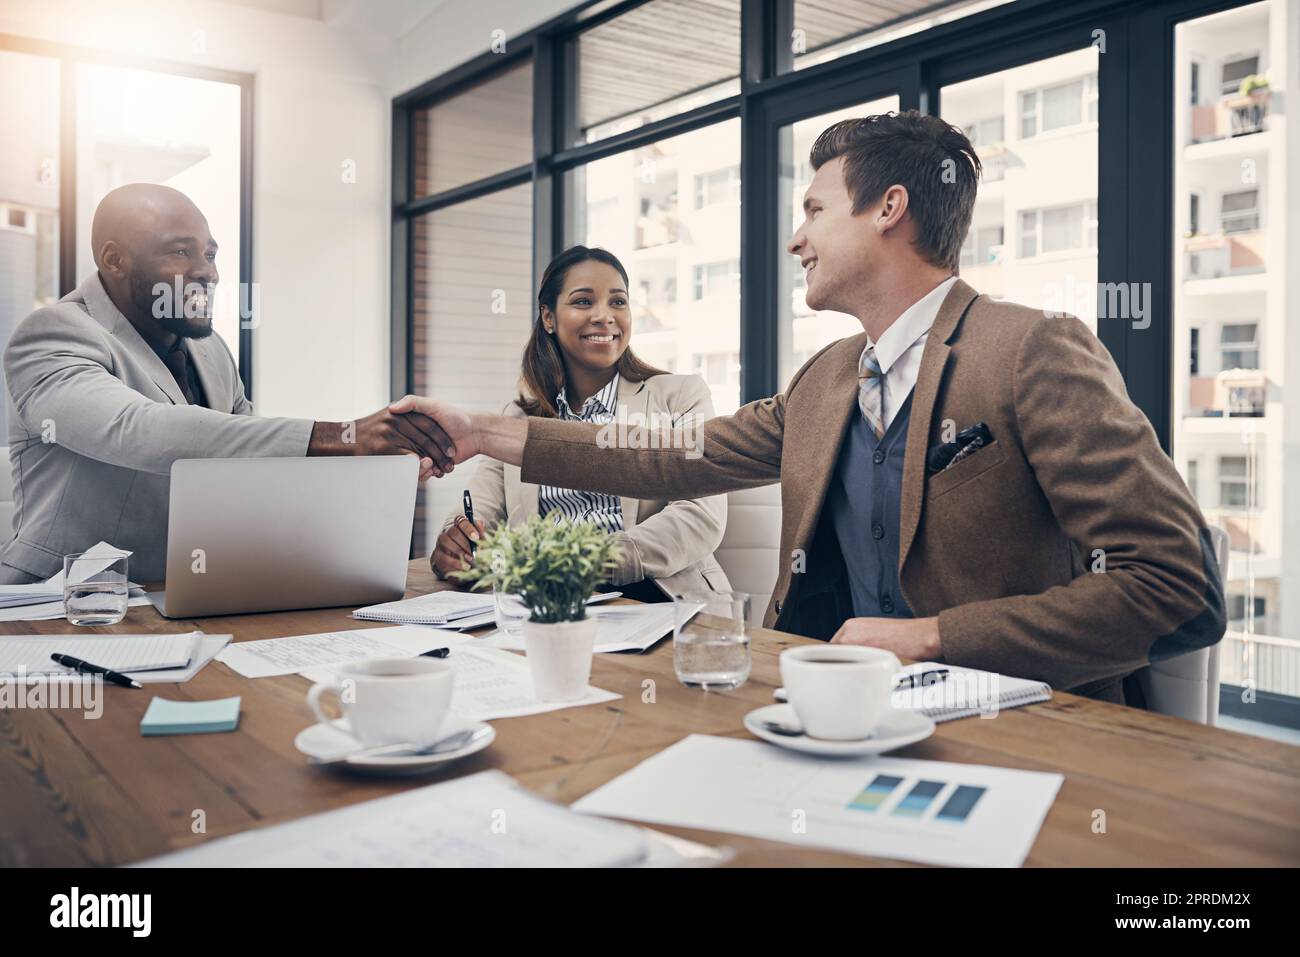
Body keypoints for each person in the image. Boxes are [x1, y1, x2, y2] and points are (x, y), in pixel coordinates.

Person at [391, 111, 1226, 705]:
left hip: (1025, 729)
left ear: (889, 208)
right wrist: (480, 432)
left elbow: (1178, 588)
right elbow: (665, 450)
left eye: (815, 211)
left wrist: (932, 635)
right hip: (830, 714)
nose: (797, 239)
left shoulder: (1032, 349)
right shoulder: (826, 378)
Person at [1, 183, 454, 584]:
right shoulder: (53, 334)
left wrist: (374, 466)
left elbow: (251, 462)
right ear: (114, 260)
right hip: (62, 603)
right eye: (181, 251)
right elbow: (138, 431)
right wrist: (344, 436)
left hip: (186, 592)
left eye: (211, 253)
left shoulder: (209, 349)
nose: (209, 272)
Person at [433, 245, 731, 603]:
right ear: (548, 318)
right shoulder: (517, 418)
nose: (605, 316)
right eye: (584, 302)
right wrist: (456, 540)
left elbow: (700, 516)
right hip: (546, 609)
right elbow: (478, 508)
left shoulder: (681, 395)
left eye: (618, 302)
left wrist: (587, 561)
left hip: (660, 600)